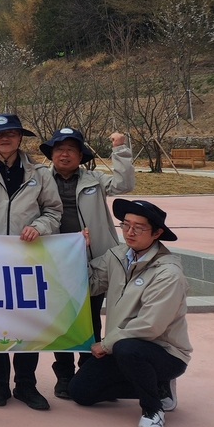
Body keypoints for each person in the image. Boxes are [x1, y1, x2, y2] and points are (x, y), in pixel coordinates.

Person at [0, 113, 62, 410]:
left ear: (20, 137)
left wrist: (39, 227)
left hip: (27, 259)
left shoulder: (39, 172)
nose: (4, 138)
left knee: (27, 322)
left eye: (10, 133)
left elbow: (53, 211)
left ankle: (26, 385)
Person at [69, 199, 191, 427]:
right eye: (125, 225)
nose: (129, 232)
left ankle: (153, 410)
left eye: (139, 227)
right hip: (122, 348)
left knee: (128, 348)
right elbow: (90, 285)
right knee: (80, 392)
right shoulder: (117, 256)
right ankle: (158, 386)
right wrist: (77, 252)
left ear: (157, 233)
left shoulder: (168, 274)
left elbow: (150, 326)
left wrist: (106, 344)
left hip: (164, 353)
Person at [42, 127, 134, 398]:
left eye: (71, 149)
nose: (65, 154)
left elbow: (124, 185)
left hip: (95, 261)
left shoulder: (94, 179)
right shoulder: (40, 179)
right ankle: (64, 375)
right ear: (52, 154)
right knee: (61, 319)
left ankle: (89, 374)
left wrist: (120, 149)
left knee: (92, 319)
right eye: (59, 149)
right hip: (55, 261)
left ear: (81, 155)